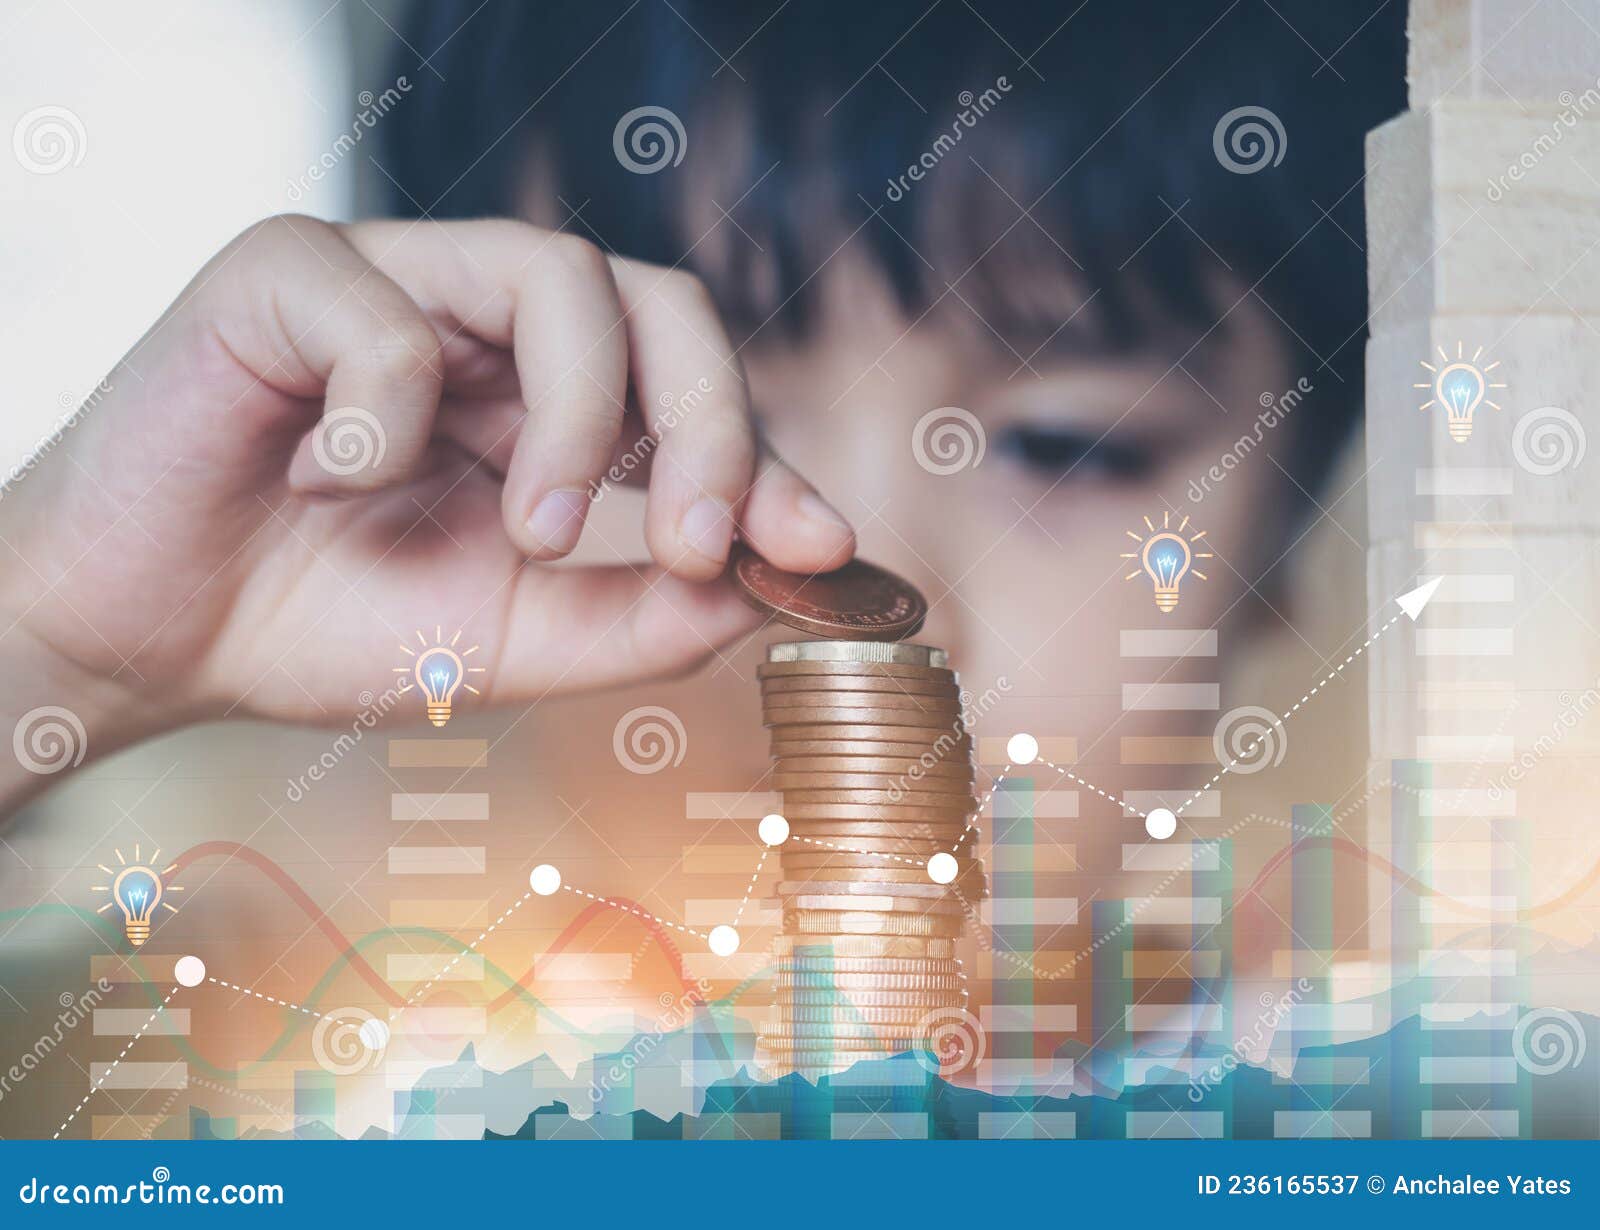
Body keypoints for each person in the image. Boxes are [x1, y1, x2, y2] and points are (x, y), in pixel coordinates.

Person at [0, 1, 1405, 1094]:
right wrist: (57, 641)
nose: (856, 601)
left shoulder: (1411, 1120)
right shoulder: (220, 1057)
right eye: (659, 418)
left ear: (1282, 542)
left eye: (1064, 443)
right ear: (449, 445)